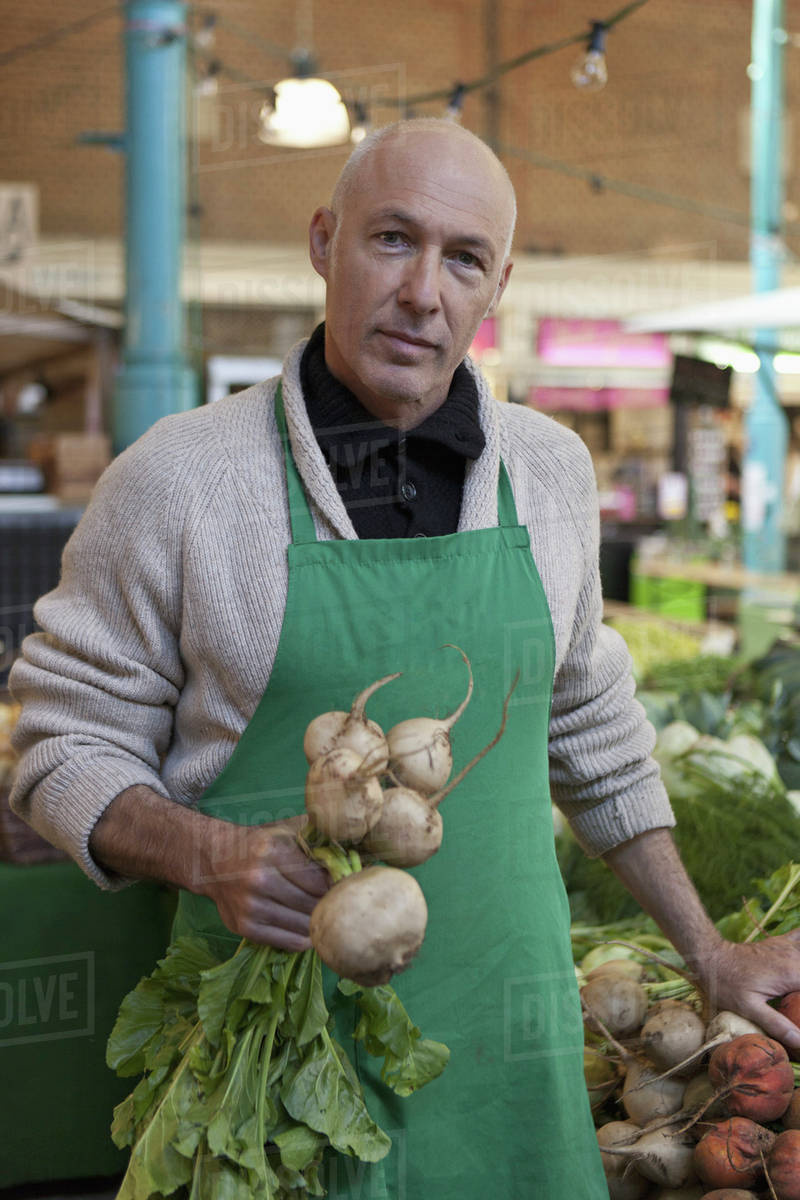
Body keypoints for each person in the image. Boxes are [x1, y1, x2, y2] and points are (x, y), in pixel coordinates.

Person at [9, 119, 800, 1196]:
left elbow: (593, 734)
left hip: (506, 1052)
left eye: (462, 258)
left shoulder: (550, 472)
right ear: (323, 242)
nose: (422, 290)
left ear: (496, 285)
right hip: (265, 1071)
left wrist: (705, 948)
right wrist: (209, 857)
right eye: (391, 240)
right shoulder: (177, 482)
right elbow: (60, 744)